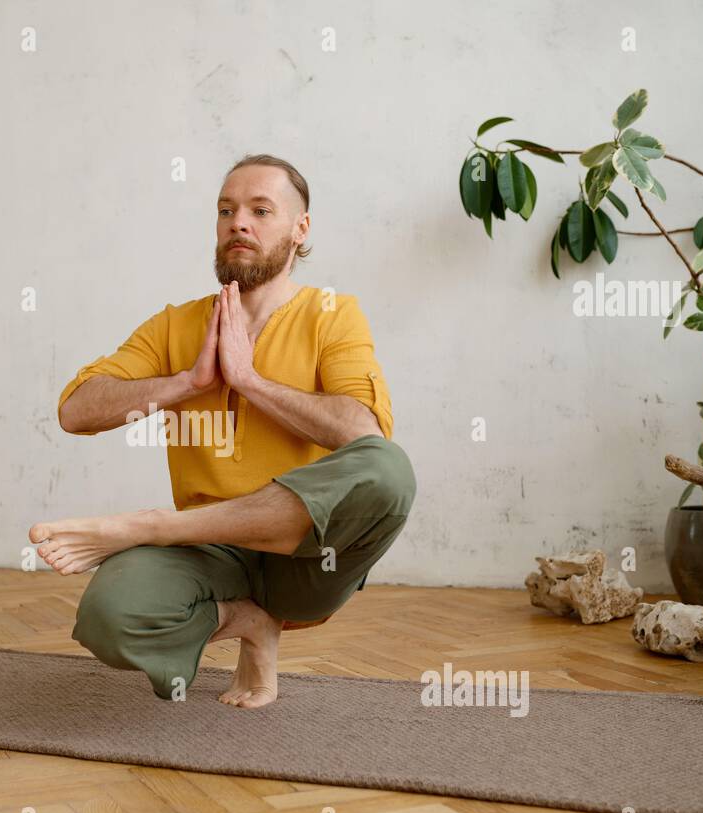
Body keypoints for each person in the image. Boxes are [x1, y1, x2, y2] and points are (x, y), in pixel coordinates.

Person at [29, 154, 416, 708]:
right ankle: (249, 622)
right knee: (108, 618)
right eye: (227, 210)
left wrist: (249, 380)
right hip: (205, 549)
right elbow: (77, 410)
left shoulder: (333, 315)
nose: (239, 222)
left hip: (303, 558)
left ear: (300, 229)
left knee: (388, 469)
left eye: (261, 210)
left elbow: (364, 432)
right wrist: (187, 382)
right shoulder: (177, 324)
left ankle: (152, 527)